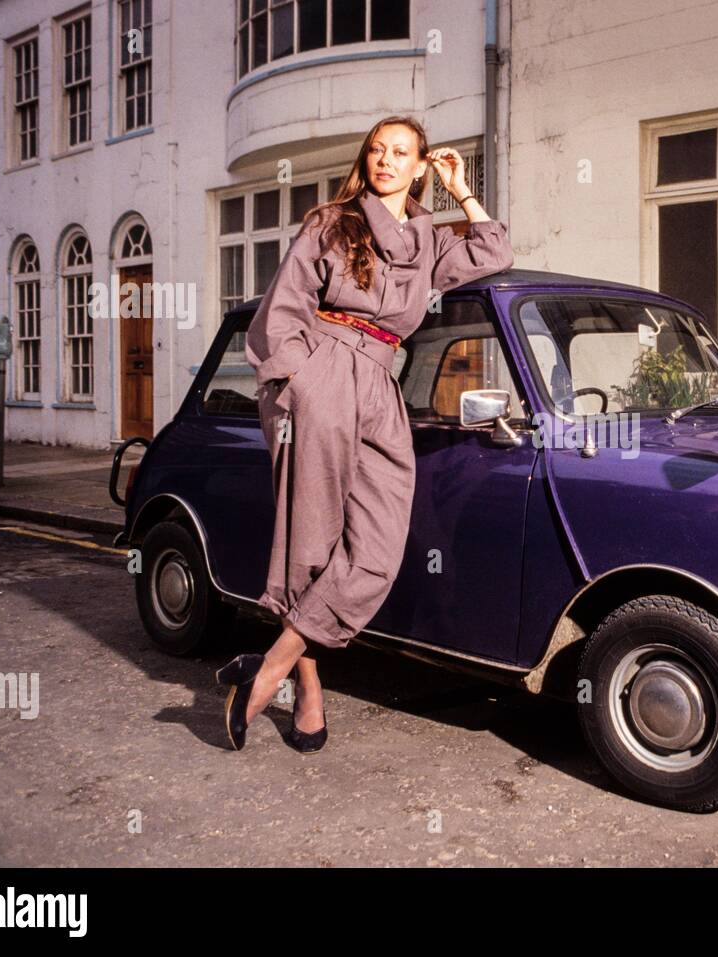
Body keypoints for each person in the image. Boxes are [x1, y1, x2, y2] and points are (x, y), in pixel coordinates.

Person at [218, 115, 515, 753]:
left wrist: (459, 189)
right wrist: (298, 381)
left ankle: (266, 668)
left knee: (377, 549)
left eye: (401, 152)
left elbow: (494, 250)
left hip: (381, 382)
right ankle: (310, 697)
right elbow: (283, 307)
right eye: (377, 150)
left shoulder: (430, 239)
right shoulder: (331, 222)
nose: (384, 159)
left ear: (419, 166)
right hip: (320, 371)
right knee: (312, 545)